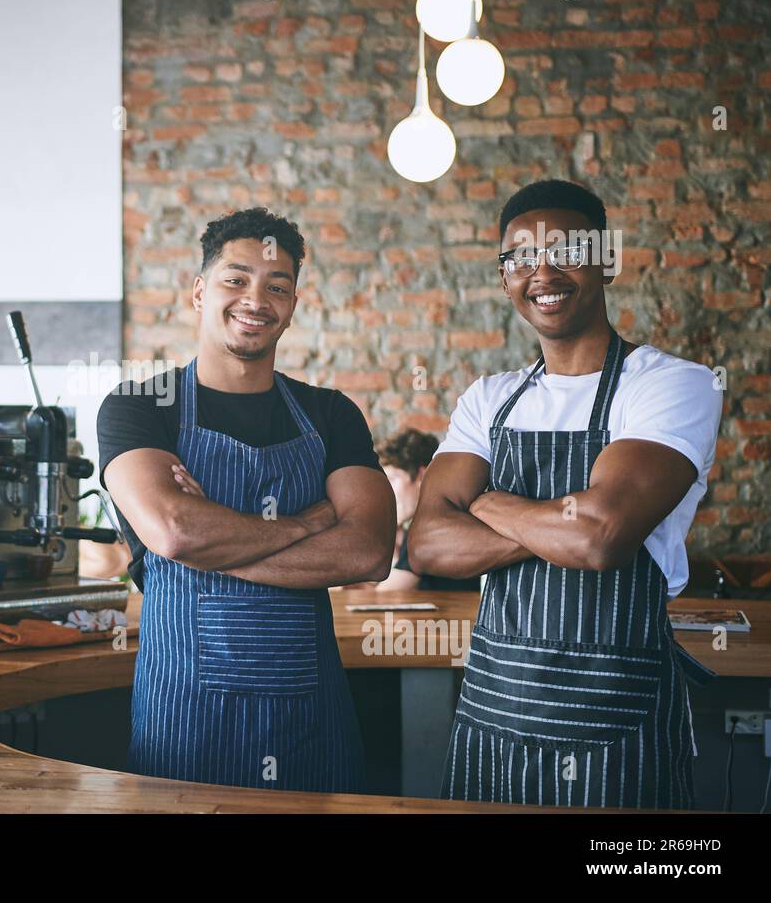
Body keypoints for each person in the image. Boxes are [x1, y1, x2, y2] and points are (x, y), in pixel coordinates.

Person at [408, 179, 722, 809]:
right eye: (519, 256)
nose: (541, 271)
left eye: (565, 250)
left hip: (618, 718)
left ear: (607, 259)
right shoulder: (488, 399)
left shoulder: (672, 386)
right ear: (504, 277)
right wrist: (557, 525)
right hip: (495, 712)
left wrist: (488, 501)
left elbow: (600, 537)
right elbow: (428, 546)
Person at [97, 207, 395, 793]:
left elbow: (368, 553)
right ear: (201, 292)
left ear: (292, 305)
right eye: (236, 279)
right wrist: (306, 523)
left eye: (276, 286)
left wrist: (207, 545)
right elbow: (176, 532)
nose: (255, 299)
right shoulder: (140, 406)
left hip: (309, 719)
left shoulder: (330, 413)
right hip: (183, 716)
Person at [366, 429, 478, 592]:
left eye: (391, 479)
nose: (384, 492)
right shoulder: (435, 518)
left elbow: (387, 594)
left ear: (422, 476)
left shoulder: (428, 526)